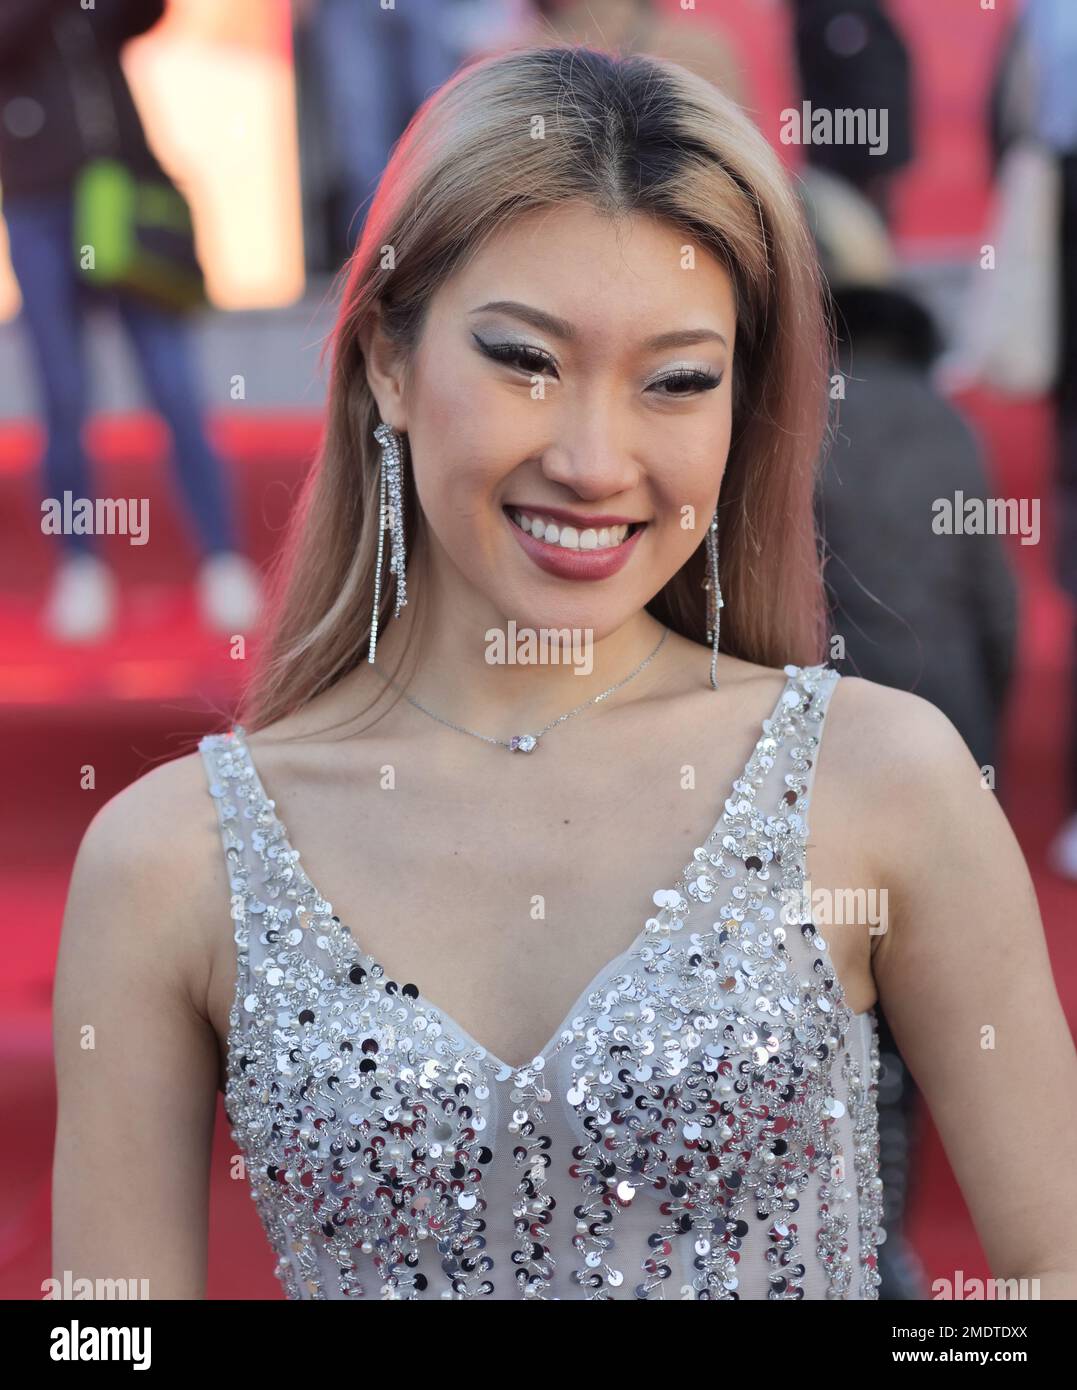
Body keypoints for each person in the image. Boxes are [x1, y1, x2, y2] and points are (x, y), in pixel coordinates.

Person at [52, 44, 1077, 1300]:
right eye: (525, 360)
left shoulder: (881, 777)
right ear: (387, 358)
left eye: (678, 382)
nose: (597, 458)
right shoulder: (170, 859)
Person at [0, 0, 261, 641]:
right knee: (63, 392)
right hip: (38, 201)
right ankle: (81, 565)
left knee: (173, 384)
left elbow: (144, 12)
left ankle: (223, 557)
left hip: (124, 190)